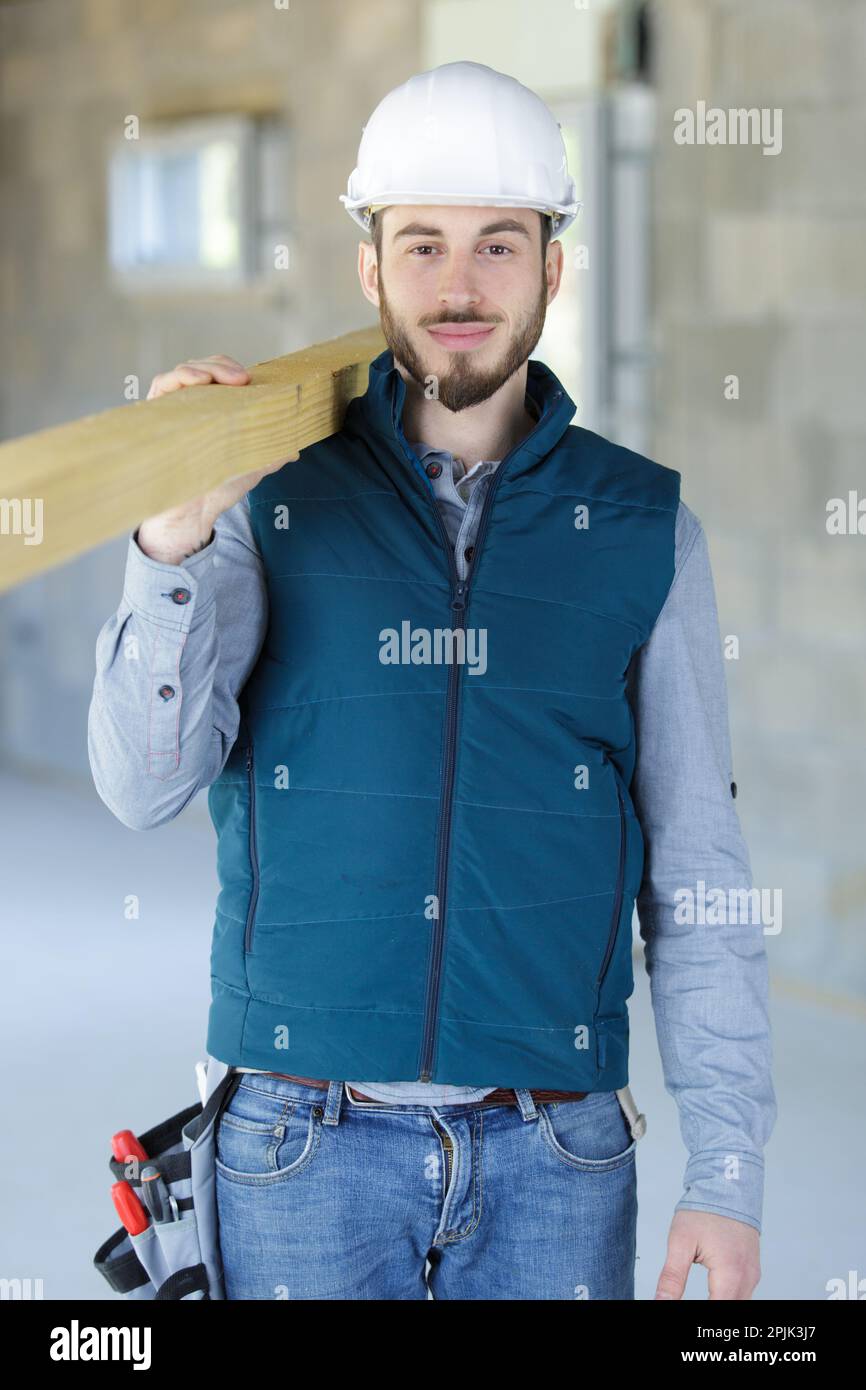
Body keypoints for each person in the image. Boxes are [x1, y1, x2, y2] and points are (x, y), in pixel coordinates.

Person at [88, 61, 776, 1300]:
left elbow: (700, 864)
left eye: (497, 245)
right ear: (371, 268)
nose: (458, 286)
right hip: (300, 1144)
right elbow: (140, 785)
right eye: (422, 245)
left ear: (553, 266)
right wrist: (169, 545)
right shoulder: (267, 489)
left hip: (556, 1151)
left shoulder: (641, 527)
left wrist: (722, 1171)